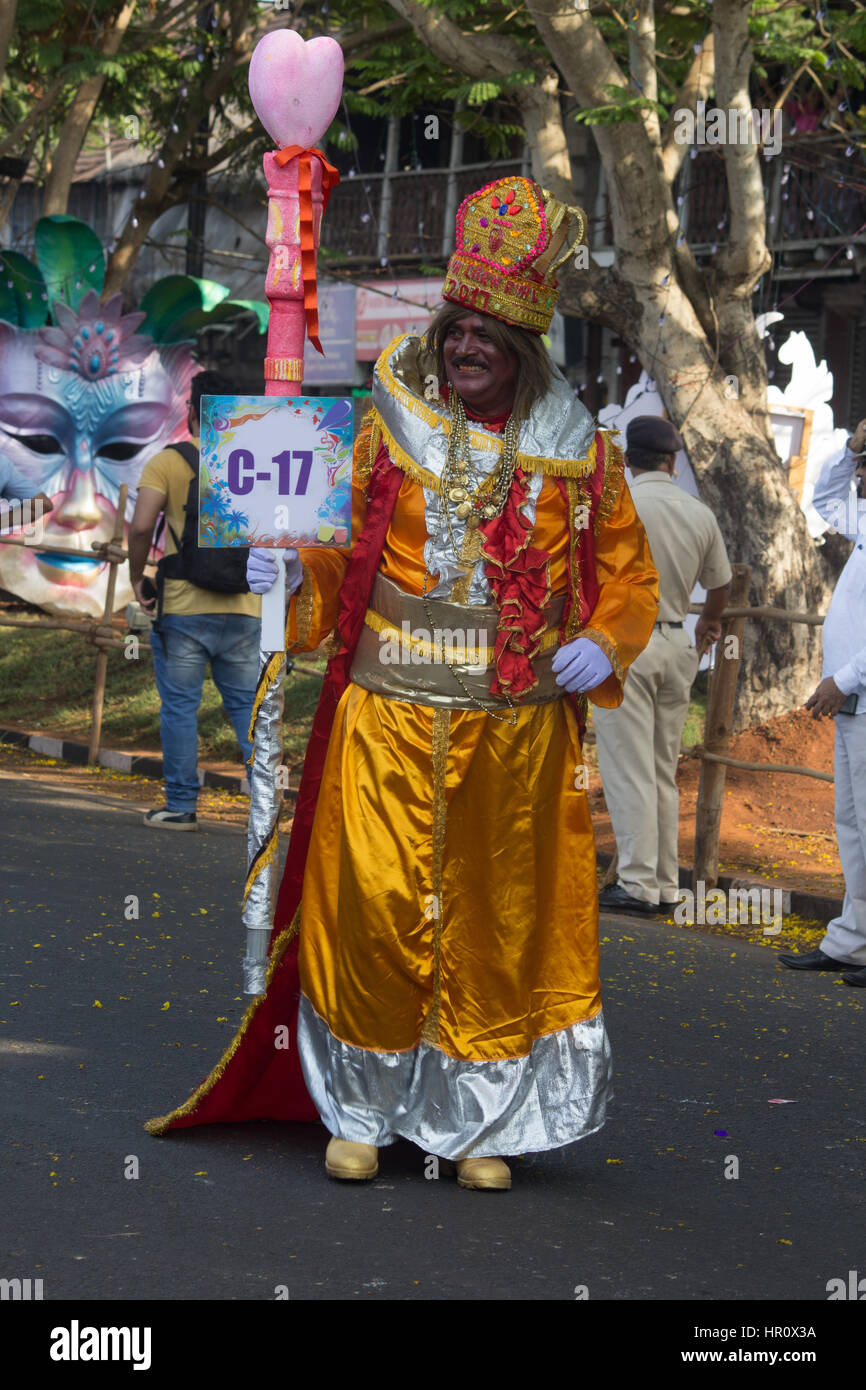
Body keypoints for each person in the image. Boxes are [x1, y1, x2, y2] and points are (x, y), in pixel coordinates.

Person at [146, 177, 659, 1189]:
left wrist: (605, 638)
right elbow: (336, 557)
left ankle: (477, 1125)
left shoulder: (581, 455)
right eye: (457, 328)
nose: (466, 348)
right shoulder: (382, 429)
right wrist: (288, 571)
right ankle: (365, 1110)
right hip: (385, 718)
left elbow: (627, 575)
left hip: (515, 735)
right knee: (374, 906)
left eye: (489, 337)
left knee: (496, 922)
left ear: (523, 349)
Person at [594, 416, 732, 914]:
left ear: (627, 460)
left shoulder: (617, 506)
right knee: (660, 770)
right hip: (678, 644)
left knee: (628, 769)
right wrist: (709, 624)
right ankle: (665, 884)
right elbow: (721, 582)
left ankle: (635, 885)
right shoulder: (698, 512)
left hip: (626, 645)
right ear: (672, 462)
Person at [128, 370, 261, 830]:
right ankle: (264, 809)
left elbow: (143, 526)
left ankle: (181, 807)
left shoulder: (169, 462)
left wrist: (136, 578)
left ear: (190, 412)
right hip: (246, 608)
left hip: (184, 608)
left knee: (181, 708)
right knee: (247, 709)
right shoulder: (256, 459)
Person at [779, 416, 866, 985]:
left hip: (856, 691)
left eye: (865, 468)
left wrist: (845, 679)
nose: (858, 477)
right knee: (853, 826)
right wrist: (850, 446)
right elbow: (824, 496)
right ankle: (853, 942)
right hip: (855, 701)